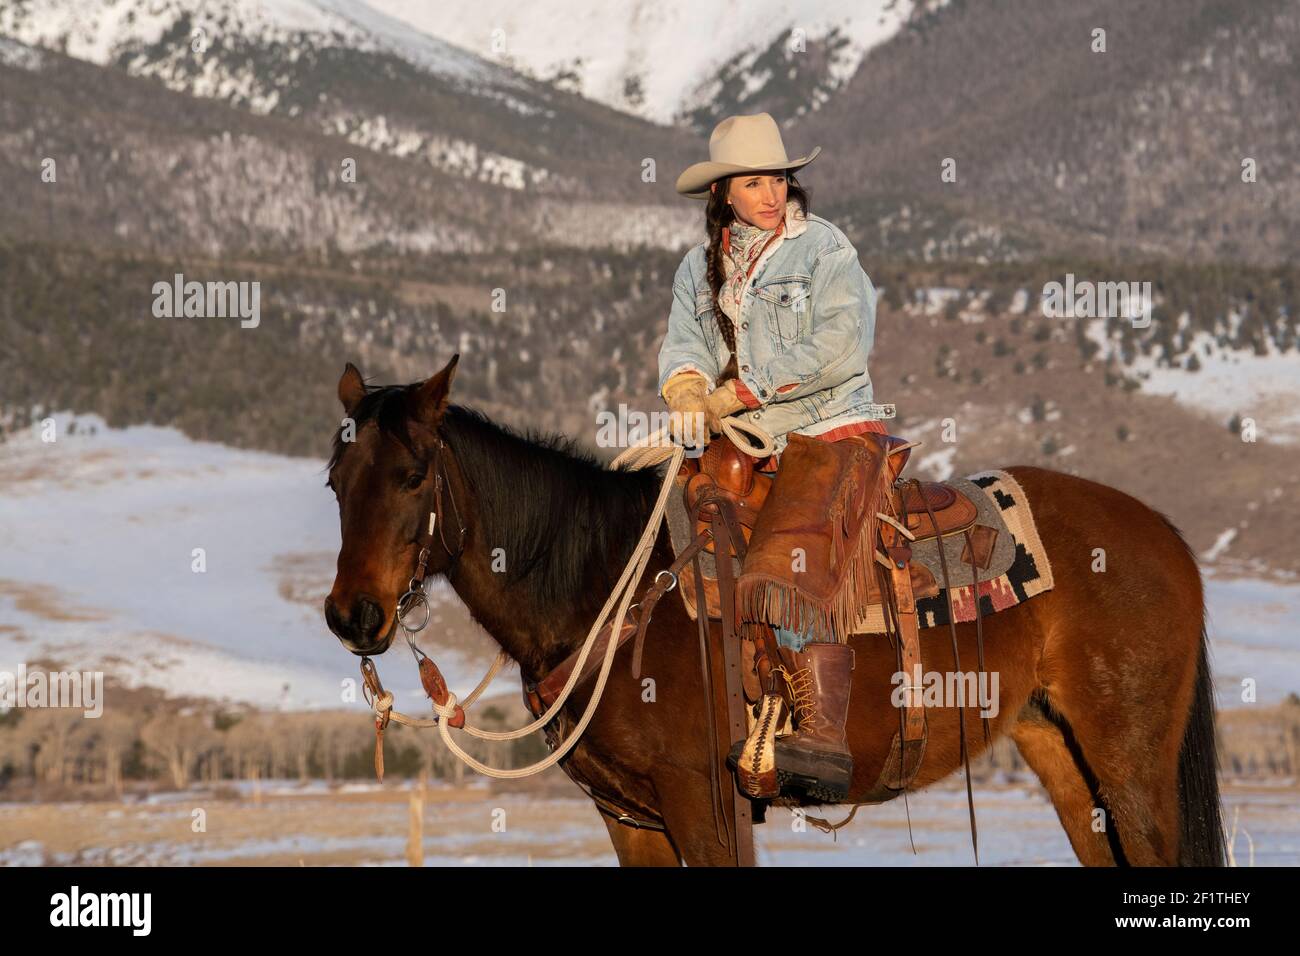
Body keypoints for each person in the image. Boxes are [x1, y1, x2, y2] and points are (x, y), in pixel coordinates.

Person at [657, 112, 894, 798]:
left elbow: (841, 343)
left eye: (779, 178)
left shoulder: (824, 248)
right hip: (746, 436)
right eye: (753, 181)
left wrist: (744, 390)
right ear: (721, 194)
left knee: (787, 556)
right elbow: (686, 342)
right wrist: (687, 388)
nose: (771, 193)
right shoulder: (698, 270)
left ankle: (819, 736)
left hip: (828, 428)